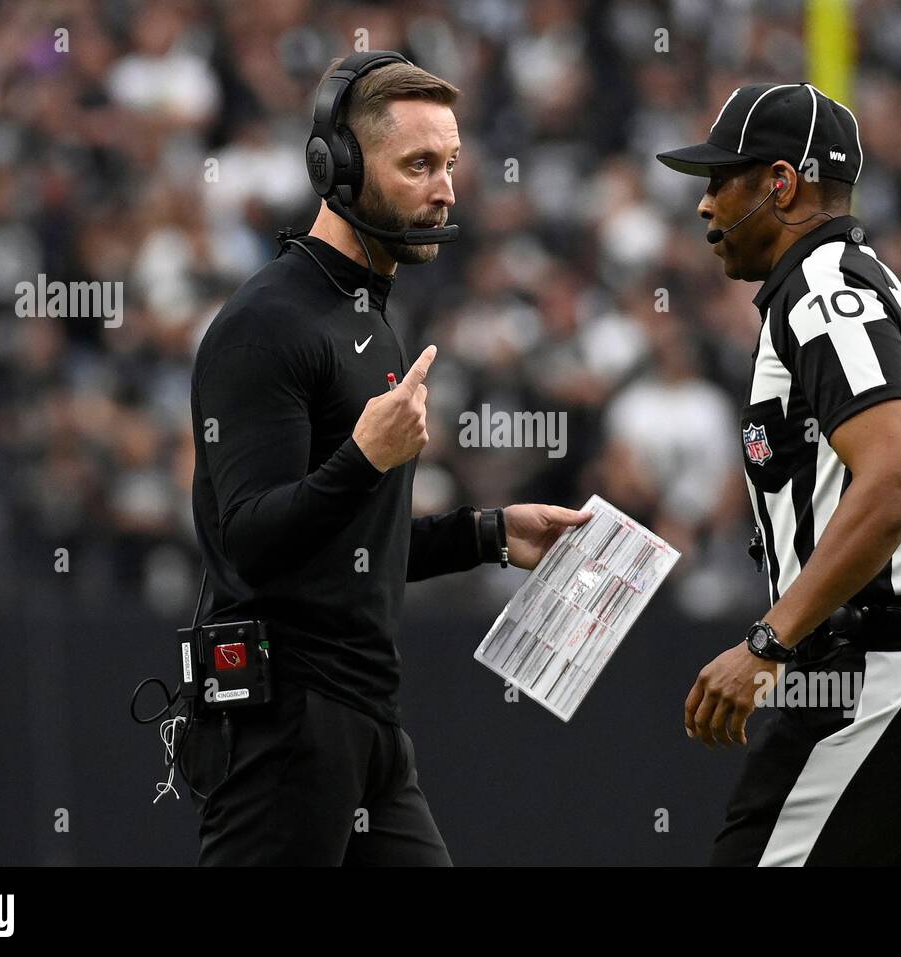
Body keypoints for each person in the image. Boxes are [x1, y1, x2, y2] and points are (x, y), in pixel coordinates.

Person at [181, 51, 590, 866]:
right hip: (286, 722)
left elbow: (354, 544)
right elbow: (248, 540)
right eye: (417, 165)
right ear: (336, 168)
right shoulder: (269, 323)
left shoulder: (367, 312)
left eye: (450, 164)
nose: (444, 187)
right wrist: (366, 458)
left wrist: (491, 532)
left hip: (364, 715)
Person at [656, 82, 901, 865]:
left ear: (781, 184)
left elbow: (898, 478)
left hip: (898, 666)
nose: (704, 205)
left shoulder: (823, 287)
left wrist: (767, 642)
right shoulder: (841, 283)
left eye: (720, 179)